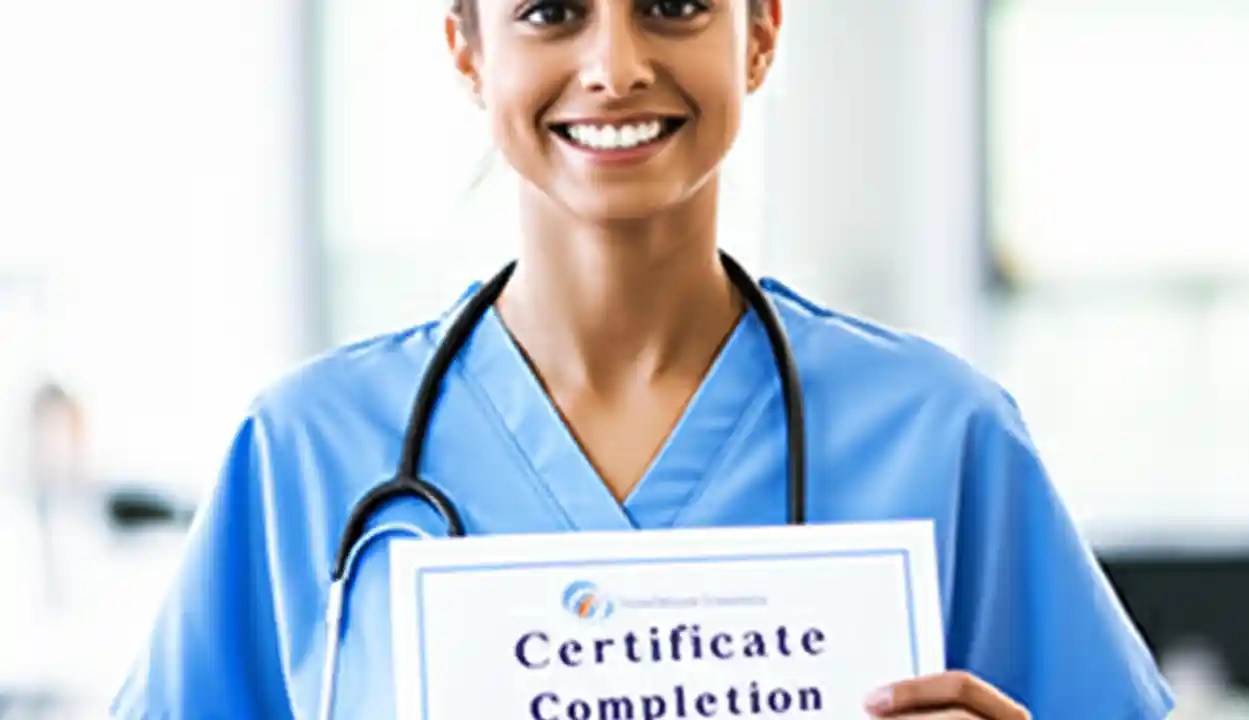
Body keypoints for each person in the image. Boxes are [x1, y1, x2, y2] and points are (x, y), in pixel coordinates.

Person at [110, 0, 1175, 718]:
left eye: (672, 4)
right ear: (467, 49)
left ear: (760, 34)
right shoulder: (304, 451)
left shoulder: (939, 435)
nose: (615, 67)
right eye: (550, 12)